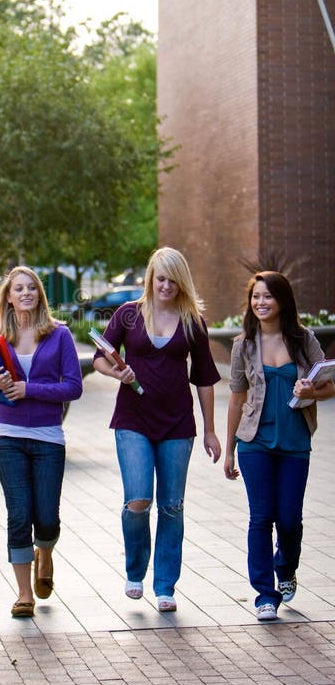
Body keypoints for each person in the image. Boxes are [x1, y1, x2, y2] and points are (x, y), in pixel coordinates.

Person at [93, 246, 221, 613]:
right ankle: (135, 570)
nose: (165, 286)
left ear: (182, 283)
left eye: (172, 280)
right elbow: (102, 356)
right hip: (133, 420)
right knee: (138, 500)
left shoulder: (192, 320)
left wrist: (210, 430)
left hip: (178, 423)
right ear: (151, 278)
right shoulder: (128, 315)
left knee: (172, 506)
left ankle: (165, 585)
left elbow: (206, 378)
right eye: (160, 278)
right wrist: (117, 371)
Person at [224, 271, 335, 621]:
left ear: (282, 300)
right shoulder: (244, 343)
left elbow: (330, 386)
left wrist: (311, 392)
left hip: (294, 441)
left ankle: (285, 569)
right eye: (256, 296)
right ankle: (264, 595)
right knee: (261, 517)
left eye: (268, 296)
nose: (261, 303)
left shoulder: (304, 340)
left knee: (289, 519)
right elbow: (236, 397)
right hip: (254, 441)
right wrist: (229, 448)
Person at [0, 266, 82, 618]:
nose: (25, 293)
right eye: (18, 288)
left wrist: (29, 389)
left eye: (31, 288)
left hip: (49, 436)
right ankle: (24, 594)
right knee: (19, 514)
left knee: (46, 517)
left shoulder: (59, 335)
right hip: (7, 435)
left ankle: (45, 553)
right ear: (7, 296)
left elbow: (73, 387)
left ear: (39, 295)